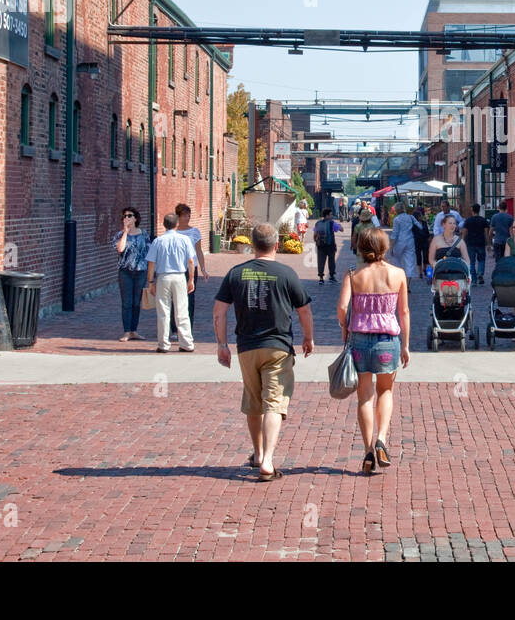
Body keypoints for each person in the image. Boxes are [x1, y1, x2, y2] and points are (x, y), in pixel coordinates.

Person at [213, 223, 314, 482]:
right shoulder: (286, 274)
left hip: (247, 346)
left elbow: (219, 310)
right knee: (274, 403)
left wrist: (222, 344)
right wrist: (308, 337)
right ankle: (267, 460)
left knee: (253, 403)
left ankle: (257, 453)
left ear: (253, 245)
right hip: (278, 346)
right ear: (276, 245)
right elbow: (304, 310)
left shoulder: (236, 273)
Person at [337, 226, 410, 475]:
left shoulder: (353, 274)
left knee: (364, 396)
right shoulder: (398, 274)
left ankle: (368, 450)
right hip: (388, 340)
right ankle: (382, 439)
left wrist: (345, 329)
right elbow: (404, 313)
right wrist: (406, 345)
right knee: (386, 390)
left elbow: (342, 308)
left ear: (361, 246)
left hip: (360, 339)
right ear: (384, 247)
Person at [146, 213, 197, 352]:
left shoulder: (158, 241)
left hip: (163, 277)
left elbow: (151, 263)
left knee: (163, 311)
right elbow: (191, 261)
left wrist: (151, 281)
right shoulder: (185, 240)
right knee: (182, 310)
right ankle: (186, 343)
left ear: (164, 224)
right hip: (180, 276)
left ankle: (163, 344)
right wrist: (191, 279)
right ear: (176, 224)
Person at [113, 206, 150, 341]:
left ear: (135, 218)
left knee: (136, 302)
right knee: (126, 302)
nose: (127, 218)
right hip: (125, 272)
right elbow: (120, 249)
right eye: (125, 216)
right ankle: (126, 331)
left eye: (129, 216)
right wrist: (125, 232)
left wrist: (151, 273)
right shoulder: (119, 235)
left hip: (140, 271)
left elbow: (148, 252)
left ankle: (134, 330)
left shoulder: (144, 234)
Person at [172, 203, 208, 334]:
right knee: (175, 298)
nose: (187, 218)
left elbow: (198, 251)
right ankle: (175, 328)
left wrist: (203, 268)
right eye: (184, 215)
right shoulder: (173, 233)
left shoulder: (194, 232)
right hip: (176, 268)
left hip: (191, 268)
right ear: (178, 216)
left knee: (190, 298)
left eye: (188, 215)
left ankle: (188, 328)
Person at [461, 204, 491, 285]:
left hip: (470, 243)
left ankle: (473, 280)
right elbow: (486, 233)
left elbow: (464, 233)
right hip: (481, 242)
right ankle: (480, 273)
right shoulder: (483, 220)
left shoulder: (468, 220)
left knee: (471, 262)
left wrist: (462, 243)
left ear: (472, 210)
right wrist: (488, 244)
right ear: (479, 210)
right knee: (481, 260)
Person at [388, 202, 419, 275]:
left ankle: (399, 277)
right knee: (410, 263)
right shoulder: (411, 217)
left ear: (396, 210)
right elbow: (419, 226)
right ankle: (407, 284)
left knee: (396, 260)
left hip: (399, 242)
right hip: (410, 241)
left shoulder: (397, 219)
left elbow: (394, 234)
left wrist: (391, 247)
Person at [313, 207, 342, 285]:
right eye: (331, 214)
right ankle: (332, 276)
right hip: (330, 245)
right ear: (327, 215)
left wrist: (317, 242)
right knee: (331, 261)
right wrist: (339, 225)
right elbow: (341, 229)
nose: (332, 216)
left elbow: (315, 235)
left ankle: (321, 278)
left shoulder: (318, 223)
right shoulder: (332, 223)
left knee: (321, 261)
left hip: (321, 245)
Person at [412, 204, 432, 278]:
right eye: (420, 215)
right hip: (417, 242)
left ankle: (424, 269)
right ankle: (420, 272)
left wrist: (428, 238)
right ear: (417, 217)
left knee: (425, 256)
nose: (421, 216)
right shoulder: (413, 224)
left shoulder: (424, 222)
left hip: (425, 241)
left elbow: (427, 231)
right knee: (418, 257)